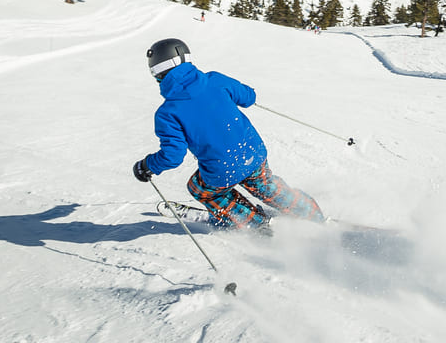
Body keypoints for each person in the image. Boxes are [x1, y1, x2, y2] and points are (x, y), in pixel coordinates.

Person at [132, 38, 325, 230]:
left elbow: (173, 156)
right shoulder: (215, 80)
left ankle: (255, 223)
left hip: (221, 170)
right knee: (266, 186)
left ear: (160, 73)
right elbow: (249, 97)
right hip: (253, 153)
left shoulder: (167, 113)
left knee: (201, 189)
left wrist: (147, 166)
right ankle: (310, 213)